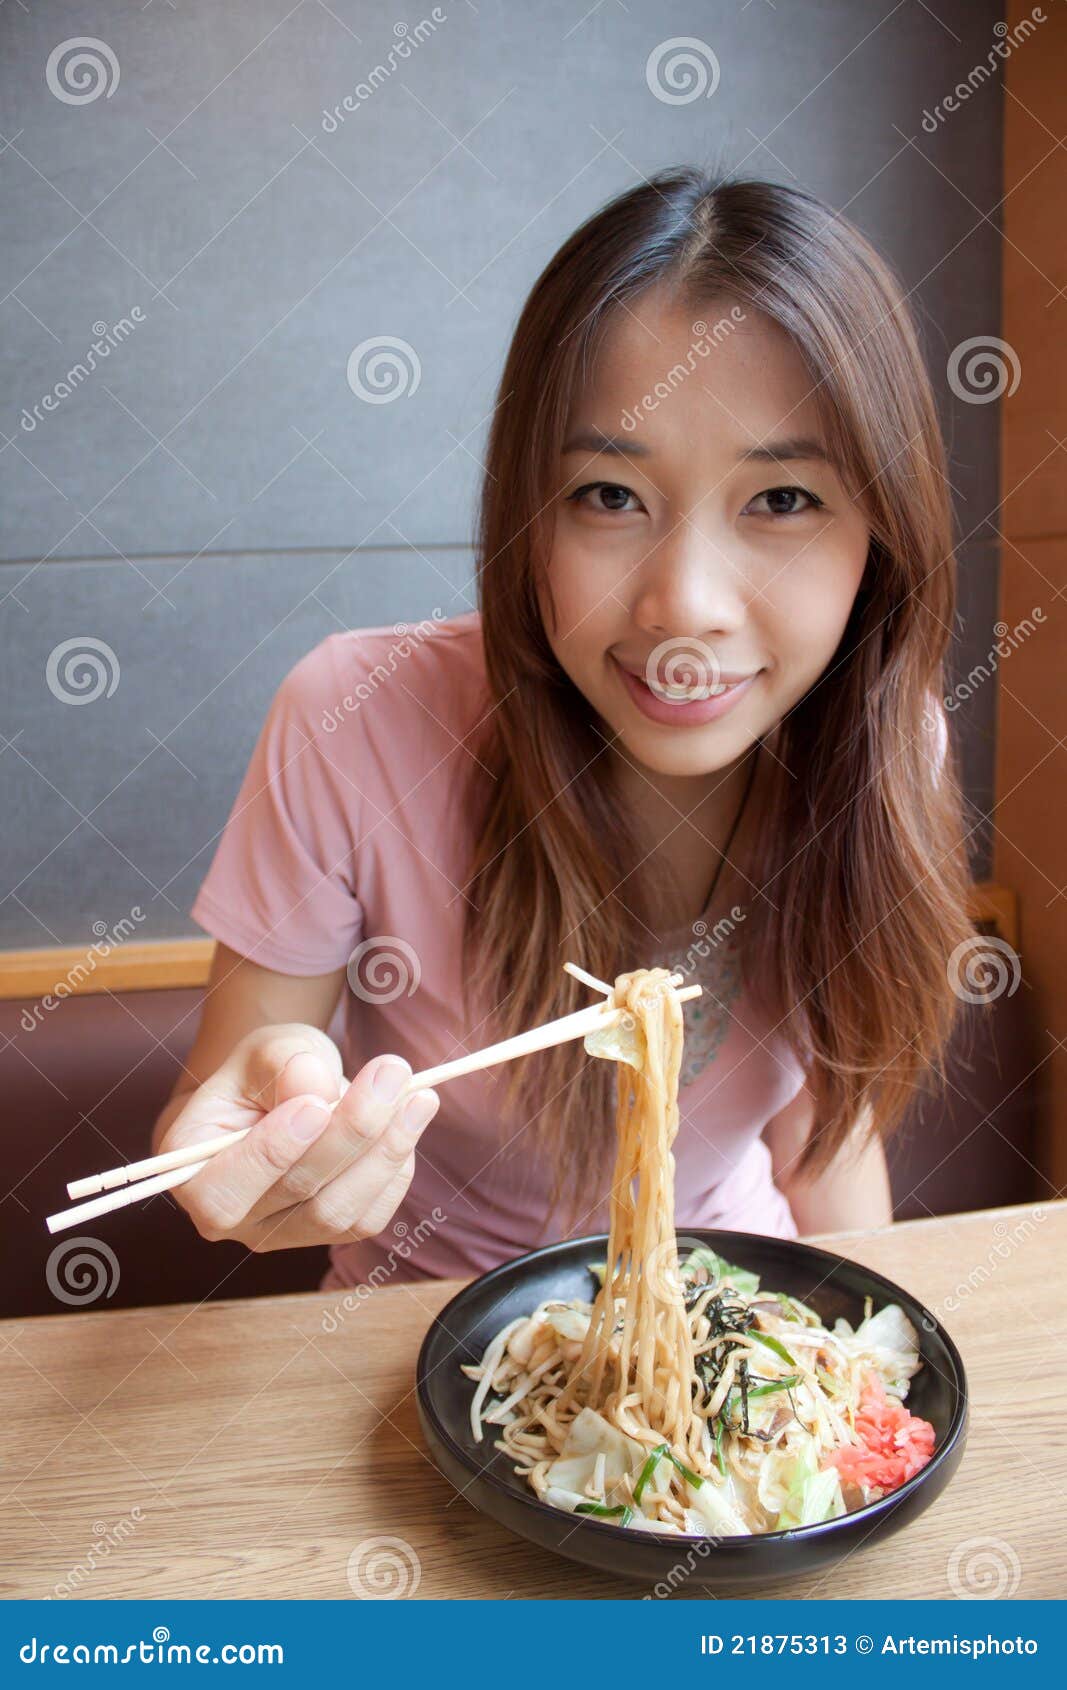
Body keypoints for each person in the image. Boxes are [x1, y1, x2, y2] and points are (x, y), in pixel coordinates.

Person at [153, 168, 972, 1289]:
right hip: (421, 1337)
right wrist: (264, 1157)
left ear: (878, 531)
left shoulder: (883, 741)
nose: (683, 604)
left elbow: (827, 1143)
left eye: (780, 501)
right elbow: (221, 1125)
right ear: (525, 513)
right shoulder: (354, 718)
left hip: (731, 1318)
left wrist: (872, 1368)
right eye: (607, 495)